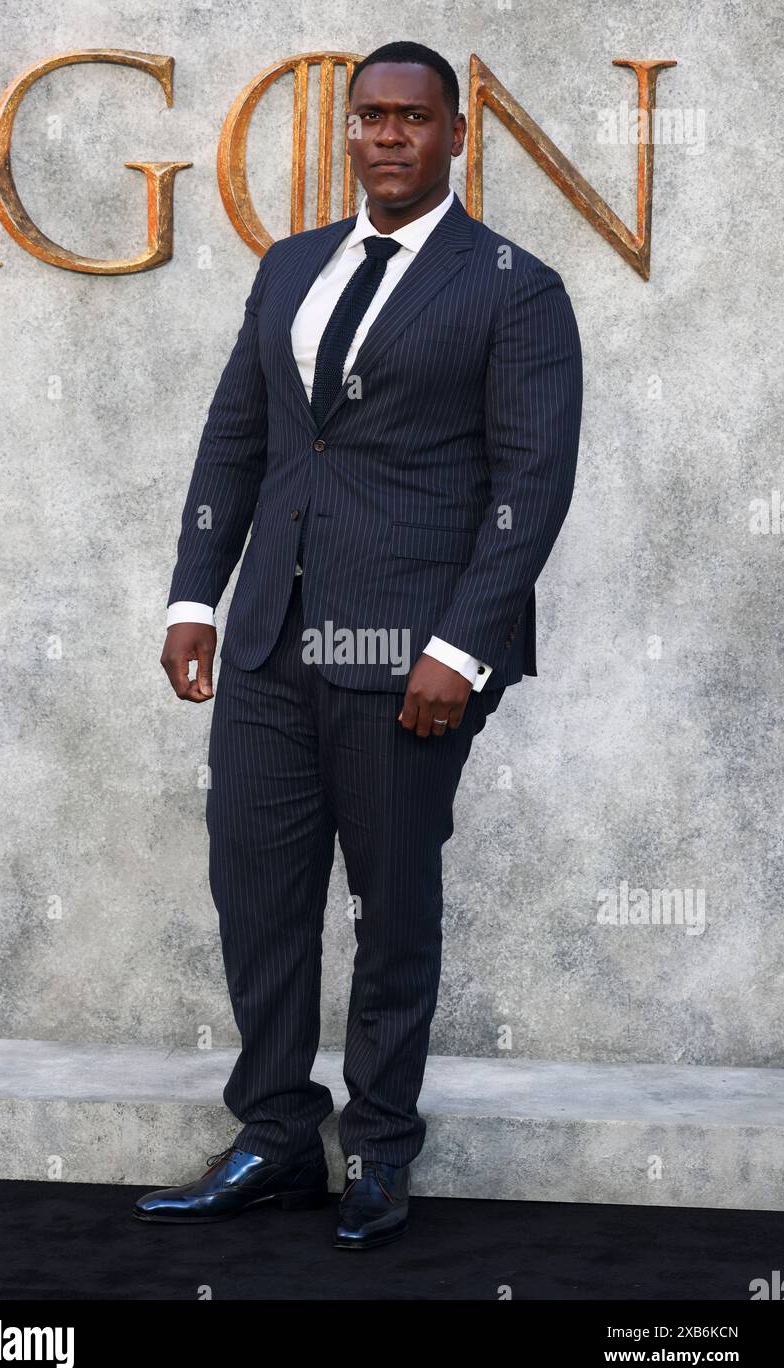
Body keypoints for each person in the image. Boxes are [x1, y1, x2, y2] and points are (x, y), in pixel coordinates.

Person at [134, 40, 582, 1250]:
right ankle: (276, 1135)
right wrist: (192, 599)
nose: (387, 136)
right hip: (270, 642)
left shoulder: (511, 285)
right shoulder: (289, 267)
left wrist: (464, 647)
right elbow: (239, 436)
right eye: (369, 117)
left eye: (411, 118)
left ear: (451, 136)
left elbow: (529, 486)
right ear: (348, 131)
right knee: (256, 890)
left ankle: (379, 1148)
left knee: (392, 907)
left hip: (407, 650)